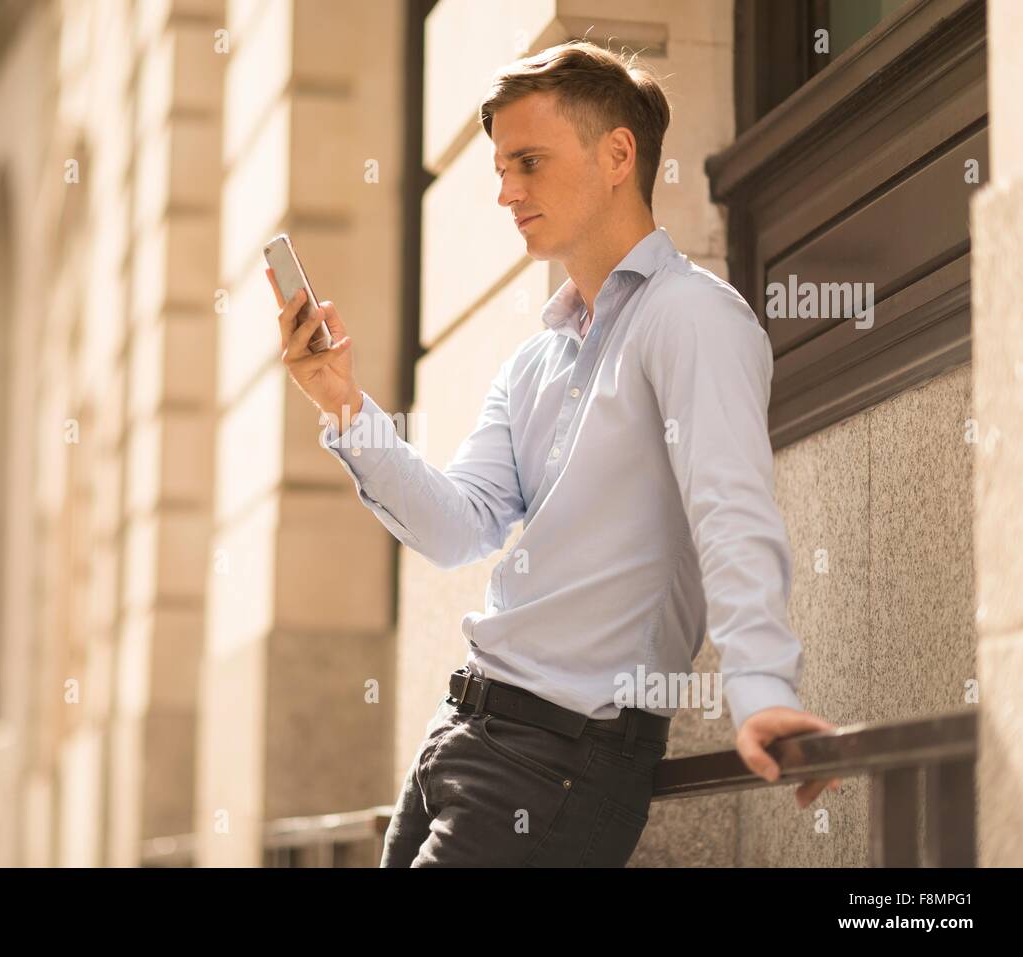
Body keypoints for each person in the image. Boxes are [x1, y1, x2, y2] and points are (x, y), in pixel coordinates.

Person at [266, 39, 840, 868]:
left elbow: (733, 508)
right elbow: (459, 526)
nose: (505, 191)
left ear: (617, 155)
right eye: (500, 168)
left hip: (560, 763)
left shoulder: (694, 320)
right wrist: (343, 405)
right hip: (455, 739)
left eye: (528, 162)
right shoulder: (536, 359)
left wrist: (761, 690)